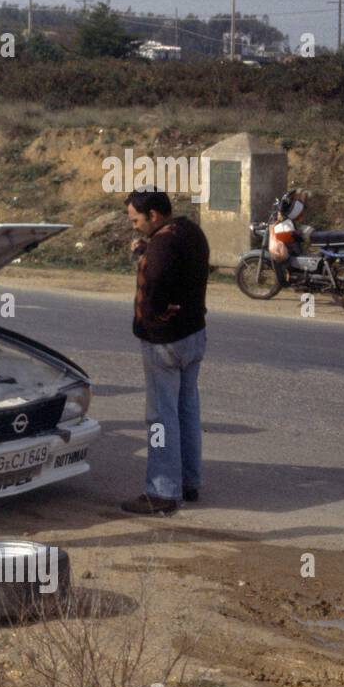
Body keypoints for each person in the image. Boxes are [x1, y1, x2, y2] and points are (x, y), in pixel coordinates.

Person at [123, 189, 210, 516]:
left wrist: (152, 318)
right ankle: (189, 482)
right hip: (194, 334)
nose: (134, 226)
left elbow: (156, 279)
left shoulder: (162, 244)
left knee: (160, 416)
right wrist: (147, 250)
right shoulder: (191, 231)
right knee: (187, 409)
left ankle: (161, 491)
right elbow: (178, 267)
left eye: (136, 220)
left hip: (165, 341)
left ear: (154, 215)